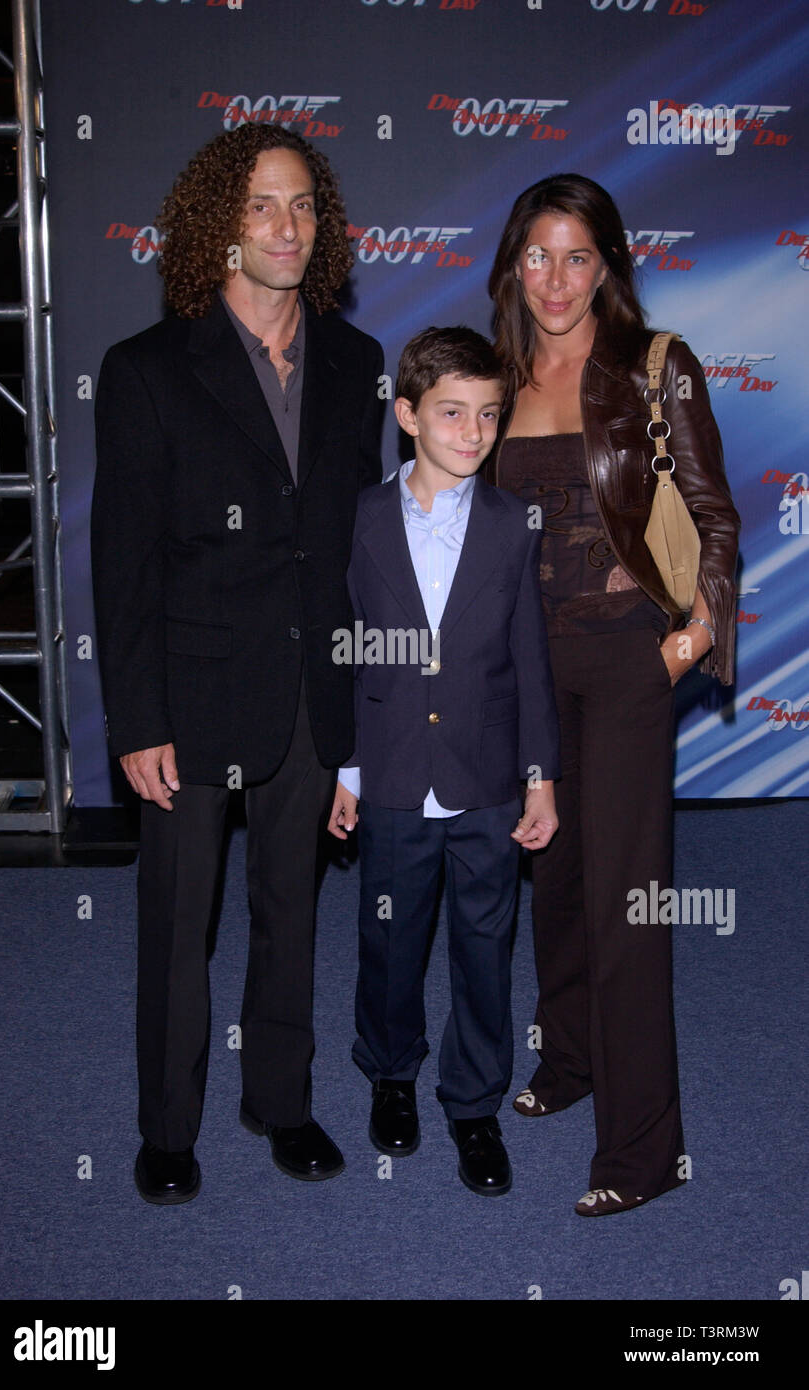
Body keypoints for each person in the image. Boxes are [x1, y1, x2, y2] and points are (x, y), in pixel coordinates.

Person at [91, 123, 384, 1203]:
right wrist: (137, 720)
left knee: (290, 910)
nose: (285, 226)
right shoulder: (147, 370)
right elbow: (122, 562)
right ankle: (168, 1129)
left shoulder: (356, 363)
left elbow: (356, 550)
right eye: (261, 203)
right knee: (179, 923)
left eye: (303, 203)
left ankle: (281, 1101)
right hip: (191, 696)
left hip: (311, 690)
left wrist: (356, 728)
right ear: (219, 223)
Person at [488, 173, 740, 1216]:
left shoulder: (653, 366)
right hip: (527, 672)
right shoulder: (492, 374)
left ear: (606, 267)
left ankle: (641, 1154)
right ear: (513, 264)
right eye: (537, 256)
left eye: (576, 257)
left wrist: (688, 642)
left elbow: (713, 516)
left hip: (630, 664)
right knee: (553, 880)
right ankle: (569, 1058)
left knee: (627, 904)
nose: (555, 279)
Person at [327, 327, 560, 1196]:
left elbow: (530, 657)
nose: (472, 433)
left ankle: (473, 1102)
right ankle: (391, 1073)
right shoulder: (359, 518)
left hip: (487, 775)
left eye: (488, 415)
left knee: (484, 945)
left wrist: (540, 777)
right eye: (451, 413)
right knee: (389, 937)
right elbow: (347, 652)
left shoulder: (511, 524)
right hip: (390, 768)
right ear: (407, 416)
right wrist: (347, 770)